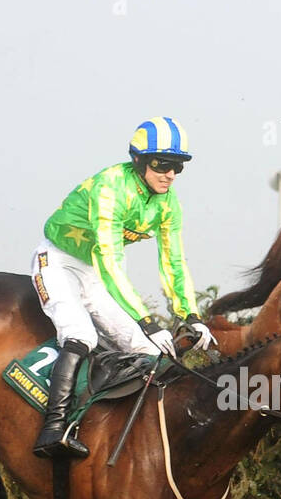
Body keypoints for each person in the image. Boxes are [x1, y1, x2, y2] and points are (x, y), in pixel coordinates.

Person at [30, 116, 215, 459]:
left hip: (97, 275)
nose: (170, 174)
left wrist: (191, 313)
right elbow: (110, 261)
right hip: (59, 262)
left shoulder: (169, 204)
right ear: (139, 160)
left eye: (178, 166)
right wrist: (149, 321)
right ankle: (54, 429)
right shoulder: (111, 187)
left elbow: (174, 262)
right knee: (81, 335)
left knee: (151, 353)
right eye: (162, 164)